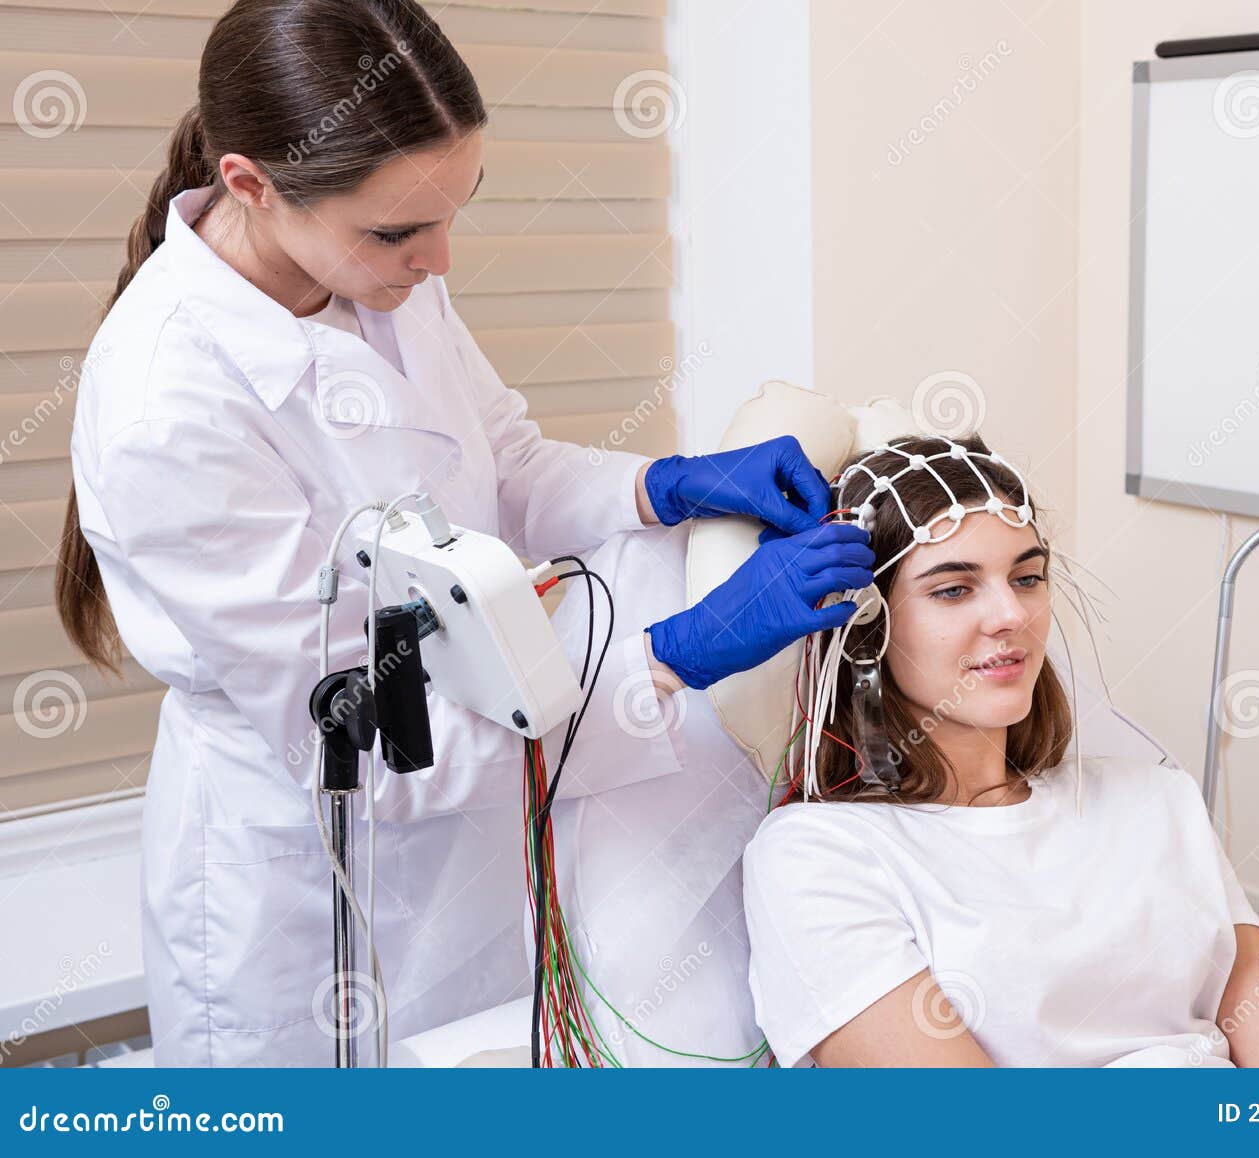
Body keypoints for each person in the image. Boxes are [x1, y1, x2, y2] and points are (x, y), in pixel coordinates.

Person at [55, 0, 869, 1066]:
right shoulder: (170, 404)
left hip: (477, 843)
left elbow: (502, 470)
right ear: (252, 184)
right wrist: (675, 656)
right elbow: (389, 753)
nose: (437, 260)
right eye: (399, 230)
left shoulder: (372, 271)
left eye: (453, 212)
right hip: (309, 870)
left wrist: (664, 486)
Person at [741, 436, 1259, 1068]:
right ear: (866, 628)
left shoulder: (1156, 800)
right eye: (953, 589)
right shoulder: (820, 857)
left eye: (1027, 577)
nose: (1011, 613)